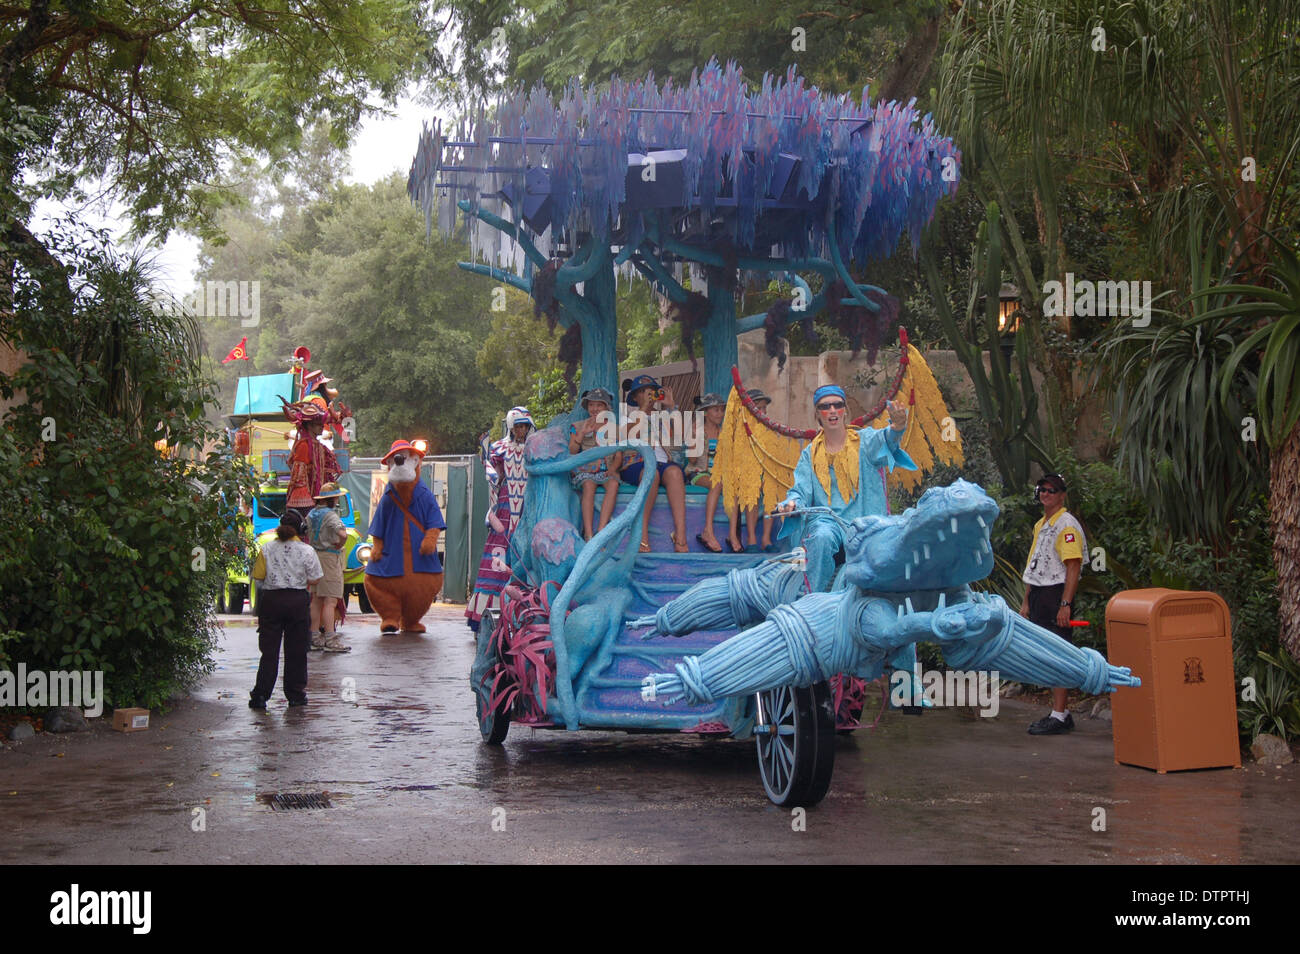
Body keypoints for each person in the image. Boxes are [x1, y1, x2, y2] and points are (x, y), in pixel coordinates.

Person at [774, 384, 915, 591]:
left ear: (844, 411)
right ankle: (814, 599)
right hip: (828, 523)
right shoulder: (810, 454)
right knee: (820, 537)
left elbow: (887, 440)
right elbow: (800, 491)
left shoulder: (865, 441)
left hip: (864, 521)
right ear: (818, 414)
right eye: (825, 406)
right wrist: (790, 503)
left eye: (837, 405)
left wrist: (897, 427)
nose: (832, 410)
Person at [1021, 473, 1086, 735]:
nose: (1045, 494)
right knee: (1045, 653)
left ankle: (1060, 714)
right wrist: (1026, 601)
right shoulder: (1042, 524)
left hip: (1056, 593)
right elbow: (1034, 565)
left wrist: (1065, 603)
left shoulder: (1066, 525)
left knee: (1058, 651)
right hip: (1038, 592)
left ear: (1062, 495)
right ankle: (1058, 712)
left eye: (1052, 490)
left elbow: (1073, 566)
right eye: (1042, 489)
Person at [466, 408, 534, 632]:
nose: (521, 430)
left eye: (524, 426)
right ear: (511, 427)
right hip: (504, 508)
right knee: (498, 557)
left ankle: (524, 608)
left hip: (528, 508)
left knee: (526, 555)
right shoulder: (499, 448)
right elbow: (494, 477)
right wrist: (492, 471)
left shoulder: (536, 446)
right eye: (517, 426)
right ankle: (489, 615)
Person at [250, 511, 322, 709]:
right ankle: (295, 695)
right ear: (301, 530)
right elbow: (315, 578)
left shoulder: (266, 548)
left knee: (269, 652)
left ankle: (261, 695)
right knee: (297, 651)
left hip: (271, 601)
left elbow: (258, 576)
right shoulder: (306, 550)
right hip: (297, 602)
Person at [620, 374, 688, 553]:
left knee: (675, 473)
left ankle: (680, 536)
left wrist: (671, 406)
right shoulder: (627, 417)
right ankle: (642, 537)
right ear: (635, 397)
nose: (649, 394)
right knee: (653, 473)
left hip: (662, 462)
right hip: (637, 463)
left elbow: (680, 437)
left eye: (651, 390)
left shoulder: (662, 417)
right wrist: (642, 410)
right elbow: (628, 437)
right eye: (642, 391)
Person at [569, 388, 623, 540]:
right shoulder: (578, 425)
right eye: (591, 405)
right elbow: (572, 451)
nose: (595, 409)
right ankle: (588, 533)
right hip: (586, 470)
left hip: (607, 470)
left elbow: (618, 456)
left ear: (606, 408)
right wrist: (582, 434)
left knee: (613, 485)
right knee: (588, 485)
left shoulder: (615, 429)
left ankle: (601, 530)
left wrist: (612, 469)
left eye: (599, 405)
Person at [305, 482, 350, 653]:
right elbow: (342, 534)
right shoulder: (330, 515)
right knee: (331, 600)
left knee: (316, 599)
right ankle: (331, 638)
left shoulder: (312, 513)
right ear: (332, 499)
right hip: (329, 558)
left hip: (314, 556)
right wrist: (340, 544)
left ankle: (314, 636)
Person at [689, 392, 730, 553]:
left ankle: (734, 535)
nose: (720, 414)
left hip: (718, 473)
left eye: (721, 410)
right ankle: (708, 530)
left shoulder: (724, 433)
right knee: (717, 483)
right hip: (698, 472)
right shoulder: (697, 431)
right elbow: (691, 460)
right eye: (716, 410)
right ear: (705, 412)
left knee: (733, 487)